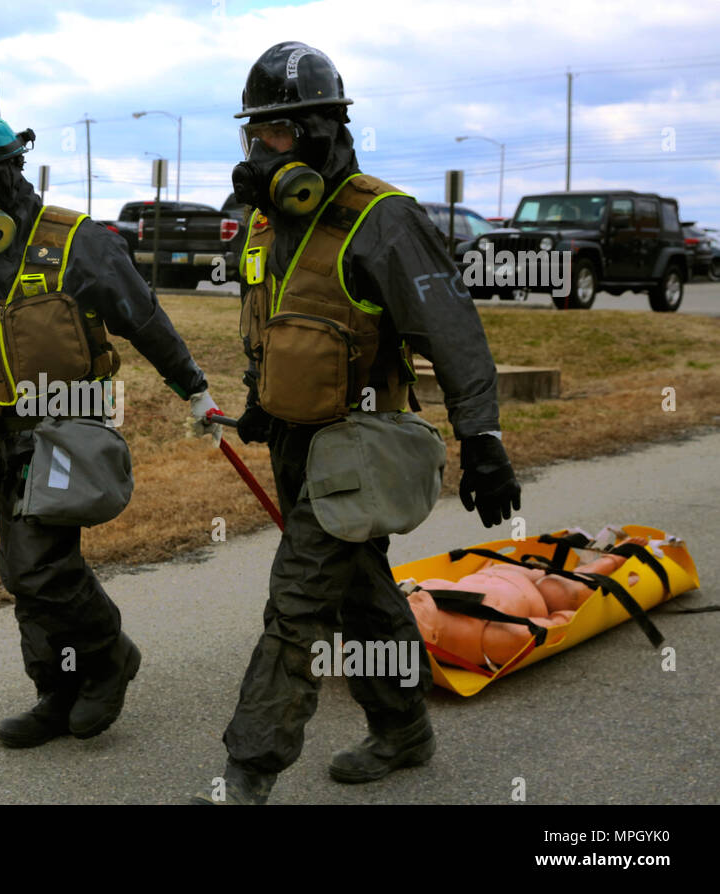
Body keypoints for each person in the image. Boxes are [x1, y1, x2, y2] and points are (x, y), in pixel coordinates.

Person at [194, 43, 522, 804]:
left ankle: (247, 773)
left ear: (319, 130)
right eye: (257, 136)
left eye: (278, 134)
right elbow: (270, 324)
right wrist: (258, 396)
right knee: (362, 596)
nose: (264, 151)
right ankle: (403, 728)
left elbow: (453, 334)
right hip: (291, 438)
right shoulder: (267, 225)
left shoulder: (384, 219)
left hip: (359, 444)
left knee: (298, 601)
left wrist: (483, 441)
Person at [0, 110, 223, 748]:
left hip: (68, 426)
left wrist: (196, 390)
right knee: (24, 575)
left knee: (38, 568)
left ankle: (109, 657)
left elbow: (144, 319)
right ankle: (56, 689)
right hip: (0, 434)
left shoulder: (77, 242)